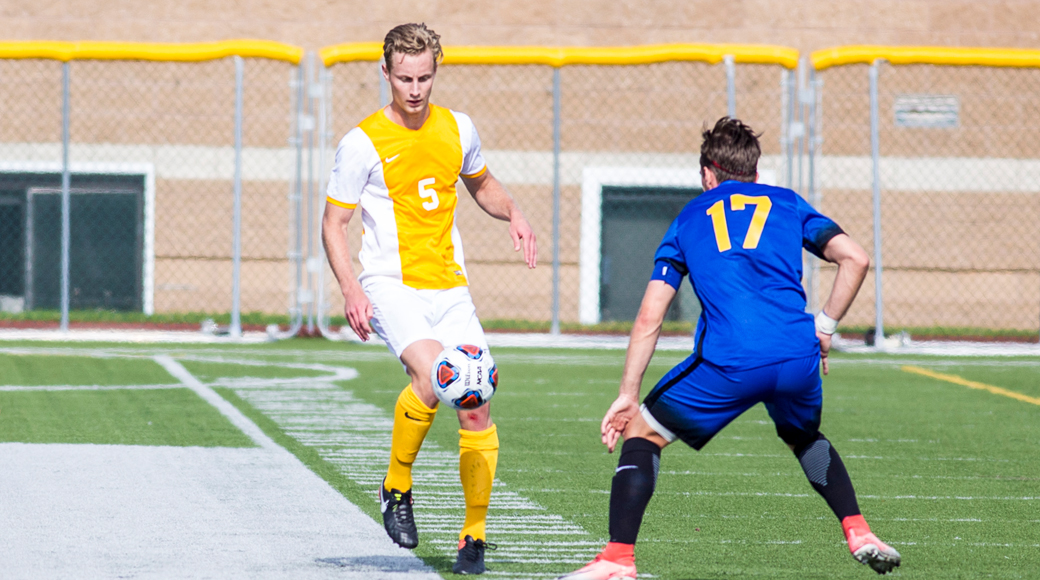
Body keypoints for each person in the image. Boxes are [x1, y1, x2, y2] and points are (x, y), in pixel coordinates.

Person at [557, 117, 900, 579]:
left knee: (642, 435)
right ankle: (857, 528)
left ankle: (618, 559)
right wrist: (824, 327)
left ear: (707, 174)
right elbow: (855, 258)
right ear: (756, 174)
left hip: (731, 361)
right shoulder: (789, 203)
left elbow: (649, 317)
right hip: (798, 357)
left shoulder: (688, 218)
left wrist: (626, 392)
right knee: (803, 436)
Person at [321, 22, 537, 576]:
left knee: (477, 400)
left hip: (450, 286)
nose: (415, 89)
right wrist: (351, 288)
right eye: (404, 78)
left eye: (424, 77)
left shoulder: (457, 128)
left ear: (435, 70)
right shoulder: (362, 141)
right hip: (390, 285)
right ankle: (398, 486)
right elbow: (333, 224)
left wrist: (513, 212)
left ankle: (474, 537)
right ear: (386, 72)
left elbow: (480, 184)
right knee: (437, 375)